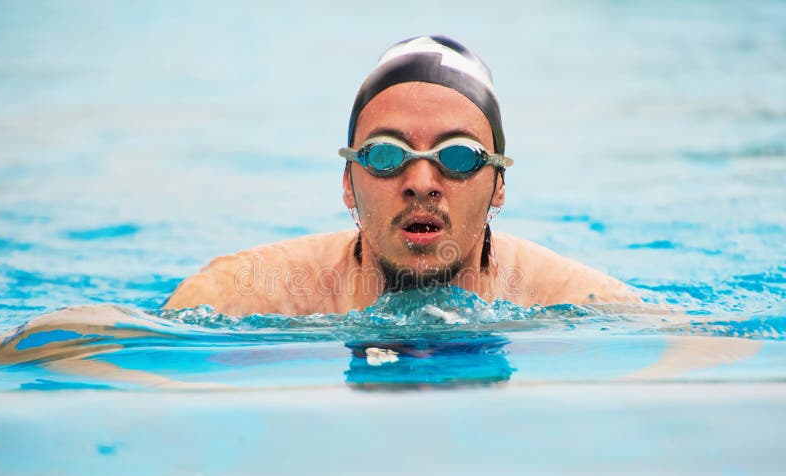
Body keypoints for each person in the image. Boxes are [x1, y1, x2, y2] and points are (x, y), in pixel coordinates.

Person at [164, 35, 638, 316]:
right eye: (387, 154)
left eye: (458, 156)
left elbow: (692, 348)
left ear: (499, 185)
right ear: (348, 182)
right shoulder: (242, 293)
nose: (422, 181)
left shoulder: (574, 299)